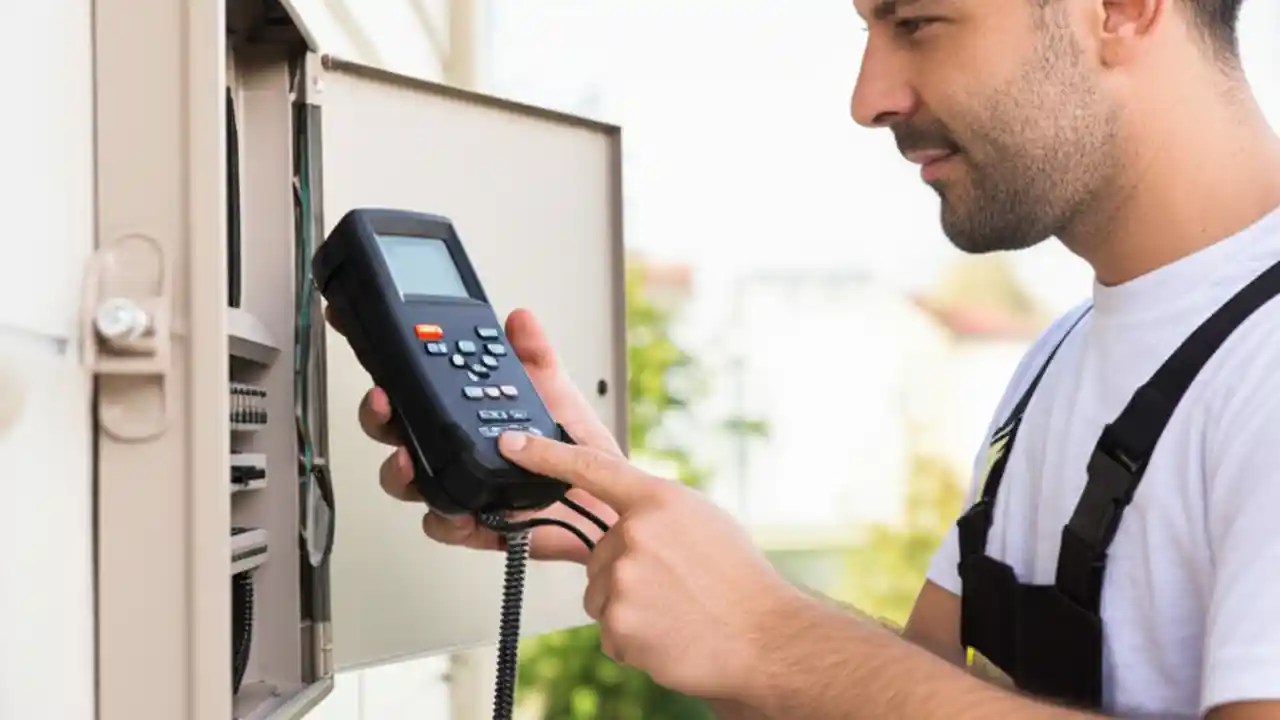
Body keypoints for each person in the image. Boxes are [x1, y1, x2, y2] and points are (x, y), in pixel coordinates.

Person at [333, 0, 1280, 717]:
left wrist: (768, 634)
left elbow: (816, 664)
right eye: (868, 28)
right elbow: (908, 689)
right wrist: (630, 532)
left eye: (917, 22)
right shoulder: (1059, 359)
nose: (869, 98)